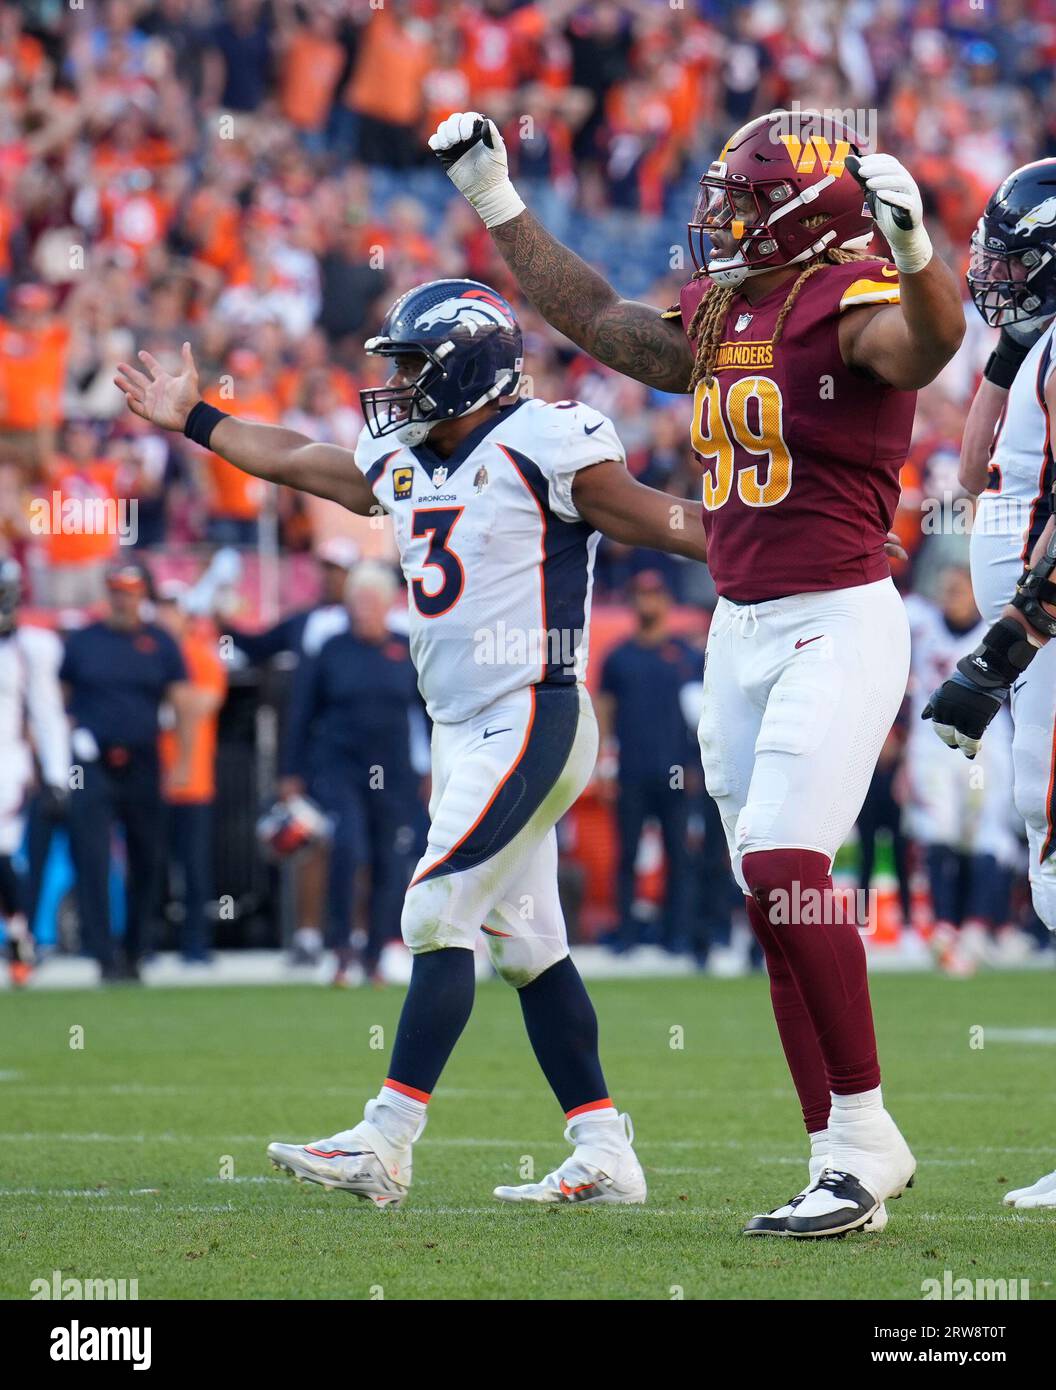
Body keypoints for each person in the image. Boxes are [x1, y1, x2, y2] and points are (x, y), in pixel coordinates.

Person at [430, 108, 965, 1236]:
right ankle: (838, 1160)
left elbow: (924, 347)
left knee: (784, 861)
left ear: (801, 212)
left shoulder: (856, 293)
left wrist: (919, 257)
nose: (717, 217)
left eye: (739, 199)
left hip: (836, 614)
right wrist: (495, 201)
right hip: (741, 628)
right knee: (771, 904)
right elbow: (599, 320)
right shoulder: (734, 303)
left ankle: (868, 1135)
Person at [115, 276, 717, 1209]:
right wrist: (196, 417)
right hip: (465, 727)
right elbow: (305, 461)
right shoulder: (399, 454)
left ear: (467, 366)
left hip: (532, 711)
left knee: (436, 910)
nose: (394, 385)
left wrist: (785, 543)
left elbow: (654, 516)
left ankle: (387, 1141)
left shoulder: (546, 441)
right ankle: (603, 1147)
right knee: (527, 948)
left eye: (411, 366)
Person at [922, 158, 1056, 1209]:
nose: (994, 277)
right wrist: (1009, 351)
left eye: (1015, 260)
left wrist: (998, 652)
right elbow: (974, 475)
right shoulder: (1039, 345)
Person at [279, 561, 425, 985]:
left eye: (371, 600)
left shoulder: (405, 648)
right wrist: (291, 771)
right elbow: (302, 712)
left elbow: (431, 713)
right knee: (348, 848)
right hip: (340, 766)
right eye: (357, 600)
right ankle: (341, 947)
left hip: (393, 770)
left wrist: (437, 766)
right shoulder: (330, 650)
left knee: (389, 859)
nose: (363, 608)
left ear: (386, 604)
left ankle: (376, 953)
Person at [60, 560, 192, 981]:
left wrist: (184, 760)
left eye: (130, 591)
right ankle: (102, 953)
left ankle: (137, 948)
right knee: (93, 856)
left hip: (143, 758)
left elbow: (181, 702)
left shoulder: (160, 642)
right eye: (116, 589)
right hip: (92, 759)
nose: (122, 598)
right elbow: (59, 699)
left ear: (141, 595)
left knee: (146, 856)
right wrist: (67, 743)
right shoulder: (84, 640)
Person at [905, 567, 1018, 975]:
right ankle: (946, 928)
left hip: (986, 743)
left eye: (959, 587)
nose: (950, 594)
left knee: (988, 833)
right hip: (931, 743)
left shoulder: (997, 624)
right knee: (938, 832)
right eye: (946, 586)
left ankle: (977, 926)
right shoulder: (918, 621)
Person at [597, 571, 702, 953]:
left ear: (667, 601)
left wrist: (696, 764)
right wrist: (605, 763)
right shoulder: (619, 657)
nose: (648, 601)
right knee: (626, 853)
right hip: (632, 768)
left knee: (679, 853)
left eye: (654, 593)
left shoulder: (686, 656)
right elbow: (605, 709)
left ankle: (678, 934)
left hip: (675, 770)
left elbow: (701, 715)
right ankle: (625, 933)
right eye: (640, 594)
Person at [0, 558, 70, 986]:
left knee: (2, 851)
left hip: (6, 763)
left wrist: (58, 774)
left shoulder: (31, 648)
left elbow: (48, 714)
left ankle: (20, 934)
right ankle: (19, 935)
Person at [155, 581, 228, 964]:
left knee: (195, 866)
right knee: (148, 863)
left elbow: (205, 702)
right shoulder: (149, 651)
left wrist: (166, 700)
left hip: (193, 778)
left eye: (173, 607)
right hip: (151, 776)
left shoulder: (198, 653)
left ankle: (196, 944)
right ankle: (147, 943)